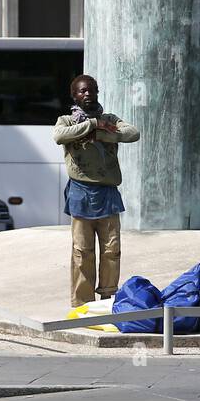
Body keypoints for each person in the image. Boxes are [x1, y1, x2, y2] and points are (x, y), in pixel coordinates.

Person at [53, 75, 139, 307]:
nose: (87, 94)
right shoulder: (66, 121)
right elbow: (59, 136)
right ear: (75, 96)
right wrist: (90, 125)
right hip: (80, 194)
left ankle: (108, 298)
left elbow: (133, 133)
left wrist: (102, 132)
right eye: (82, 91)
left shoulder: (109, 119)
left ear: (97, 93)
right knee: (82, 252)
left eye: (91, 90)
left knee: (112, 250)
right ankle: (82, 303)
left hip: (108, 194)